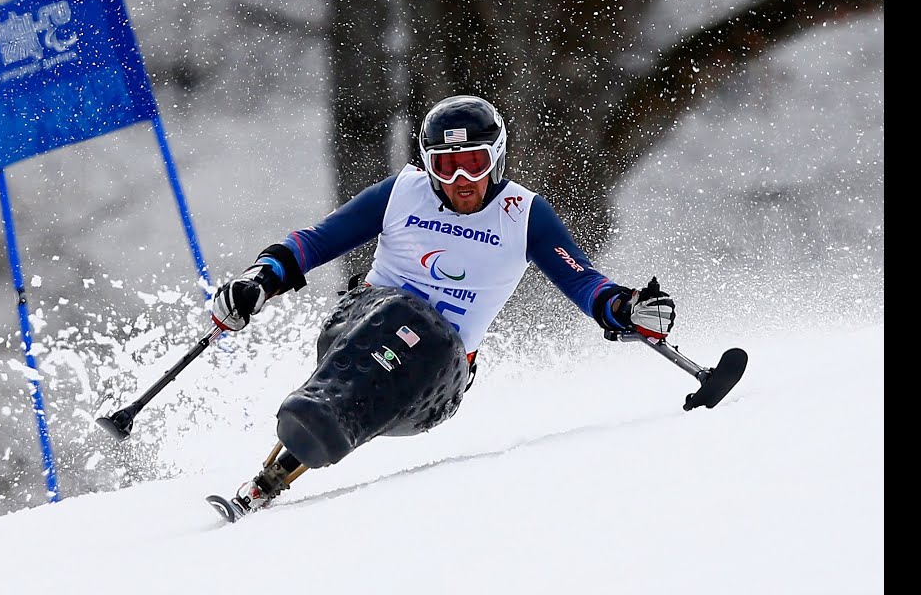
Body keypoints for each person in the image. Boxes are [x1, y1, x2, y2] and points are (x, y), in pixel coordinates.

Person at [206, 95, 676, 522]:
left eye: (473, 164)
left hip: (434, 379)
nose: (460, 182)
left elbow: (583, 280)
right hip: (357, 327)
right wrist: (259, 281)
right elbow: (314, 242)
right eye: (446, 167)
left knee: (423, 332)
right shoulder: (402, 192)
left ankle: (314, 432)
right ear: (428, 165)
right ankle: (278, 465)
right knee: (402, 319)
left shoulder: (523, 214)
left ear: (497, 159)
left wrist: (626, 309)